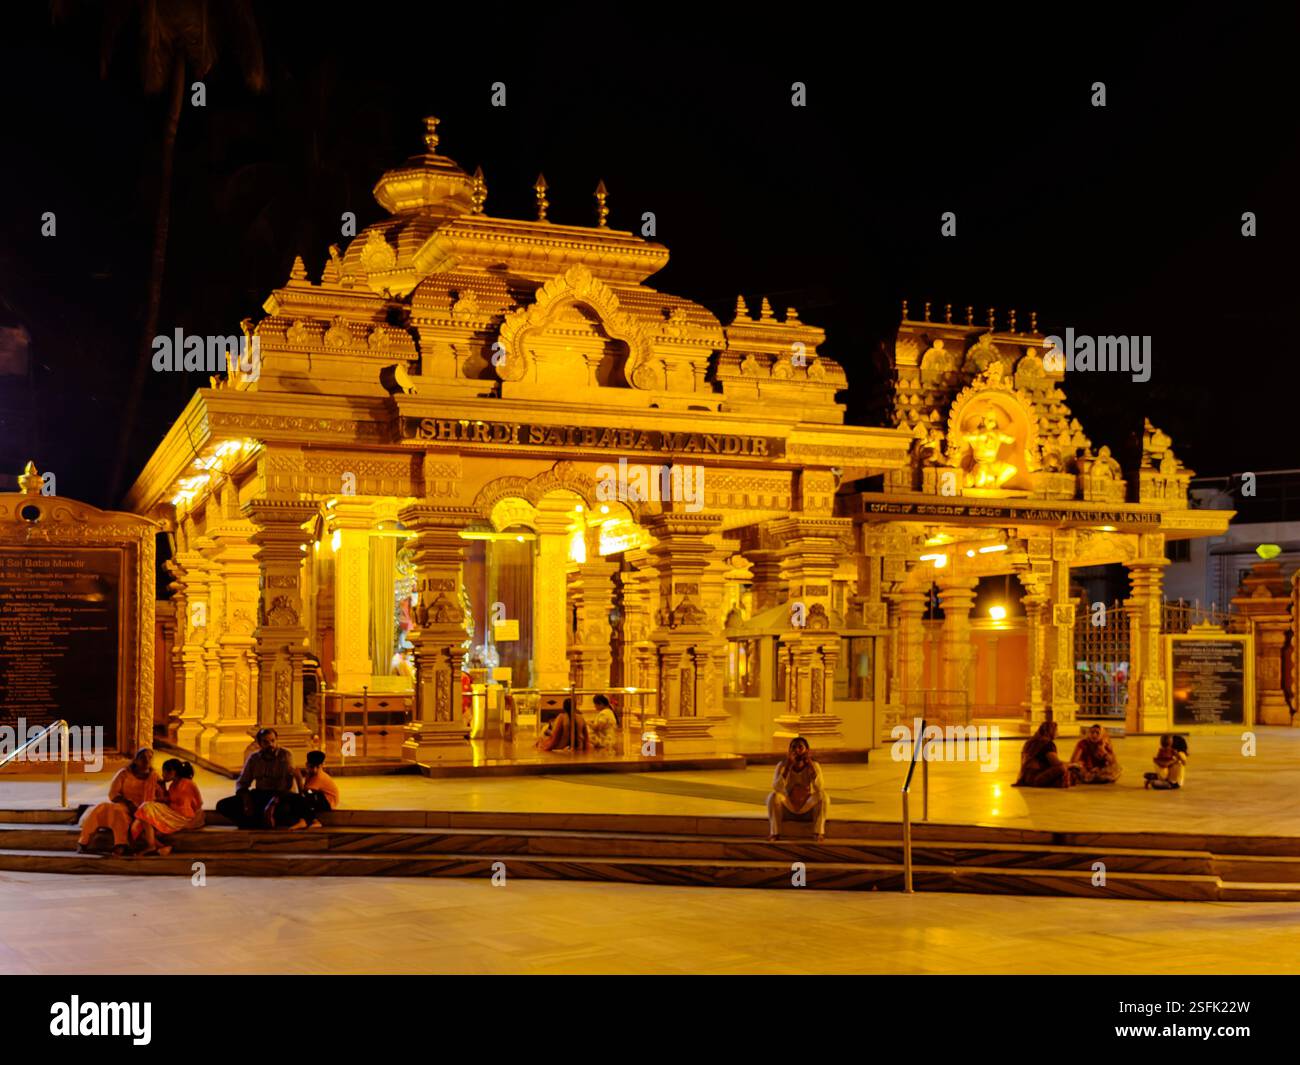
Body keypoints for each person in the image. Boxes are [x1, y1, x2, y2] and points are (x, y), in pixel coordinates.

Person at [78, 748, 161, 855]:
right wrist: (129, 803)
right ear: (135, 760)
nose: (146, 761)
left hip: (143, 811)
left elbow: (160, 796)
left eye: (149, 758)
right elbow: (113, 794)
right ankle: (83, 842)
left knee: (118, 812)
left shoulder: (154, 776)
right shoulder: (124, 774)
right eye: (142, 758)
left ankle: (120, 845)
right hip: (123, 805)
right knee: (102, 807)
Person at [215, 728, 300, 828]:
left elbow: (287, 784)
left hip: (280, 796)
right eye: (266, 742)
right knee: (223, 805)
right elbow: (242, 782)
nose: (271, 745)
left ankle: (257, 822)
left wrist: (273, 803)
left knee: (286, 810)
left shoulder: (285, 755)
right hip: (261, 793)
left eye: (273, 741)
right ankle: (258, 823)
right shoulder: (254, 758)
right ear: (259, 743)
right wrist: (247, 801)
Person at [130, 759, 204, 856]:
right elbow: (168, 799)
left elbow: (198, 803)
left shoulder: (188, 783)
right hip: (172, 813)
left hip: (181, 817)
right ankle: (162, 847)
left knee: (146, 807)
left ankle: (151, 846)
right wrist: (162, 789)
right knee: (137, 826)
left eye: (164, 771)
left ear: (173, 772)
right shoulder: (173, 785)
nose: (163, 775)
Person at [767, 736, 829, 841]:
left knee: (823, 796)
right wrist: (787, 767)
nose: (796, 750)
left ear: (807, 750)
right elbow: (776, 787)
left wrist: (810, 767)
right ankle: (775, 833)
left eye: (800, 747)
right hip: (788, 807)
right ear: (789, 750)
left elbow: (819, 787)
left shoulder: (814, 765)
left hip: (806, 807)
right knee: (773, 796)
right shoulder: (782, 765)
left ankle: (818, 832)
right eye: (793, 747)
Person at [1014, 721, 1075, 788]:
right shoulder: (1047, 744)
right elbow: (1056, 763)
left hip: (1025, 777)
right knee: (1062, 768)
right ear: (1051, 731)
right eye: (1056, 730)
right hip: (1036, 777)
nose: (1058, 733)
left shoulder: (1030, 741)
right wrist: (1072, 764)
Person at [297, 749, 340, 828]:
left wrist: (298, 777)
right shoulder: (310, 774)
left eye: (318, 767)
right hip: (321, 798)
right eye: (312, 767)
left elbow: (303, 792)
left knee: (304, 798)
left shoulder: (319, 776)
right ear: (307, 765)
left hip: (328, 802)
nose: (315, 770)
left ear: (322, 765)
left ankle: (312, 821)